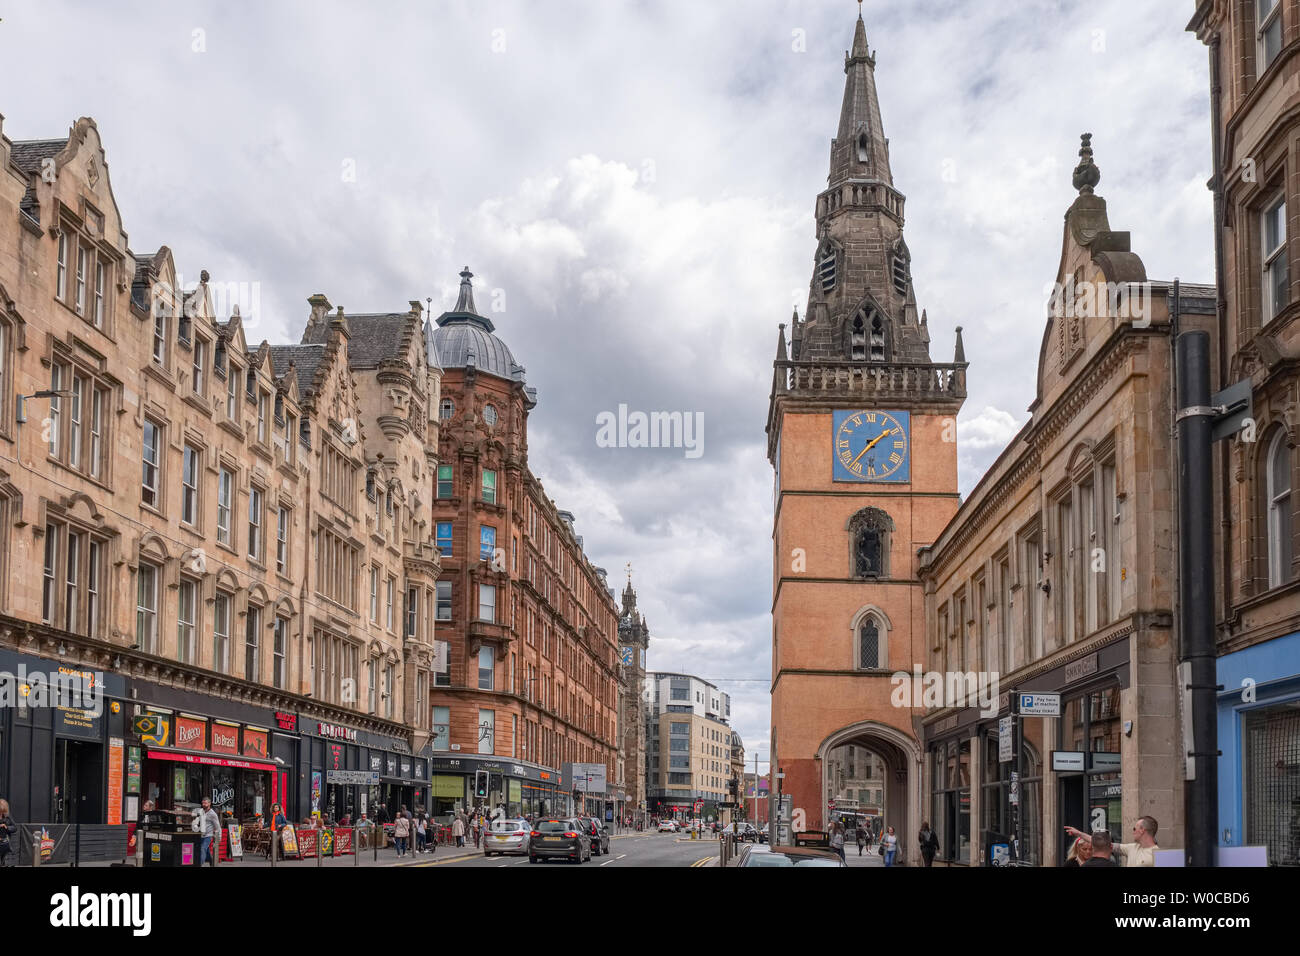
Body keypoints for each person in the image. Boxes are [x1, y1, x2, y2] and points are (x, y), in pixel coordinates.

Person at [1066, 816, 1158, 867]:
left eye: (1134, 828)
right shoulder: (1132, 848)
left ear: (1142, 830)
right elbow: (1102, 843)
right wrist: (1079, 834)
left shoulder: (1157, 854)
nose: (1133, 831)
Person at [193, 797, 222, 866]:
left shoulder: (213, 814)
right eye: (203, 803)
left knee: (202, 849)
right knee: (206, 850)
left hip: (208, 836)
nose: (204, 804)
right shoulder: (200, 812)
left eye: (205, 803)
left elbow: (217, 826)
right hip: (200, 834)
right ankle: (211, 860)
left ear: (209, 803)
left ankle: (199, 864)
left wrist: (219, 837)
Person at [0, 799, 16, 868]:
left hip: (5, 843)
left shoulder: (8, 817)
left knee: (4, 860)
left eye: (3, 812)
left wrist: (7, 827)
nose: (1, 813)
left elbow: (15, 828)